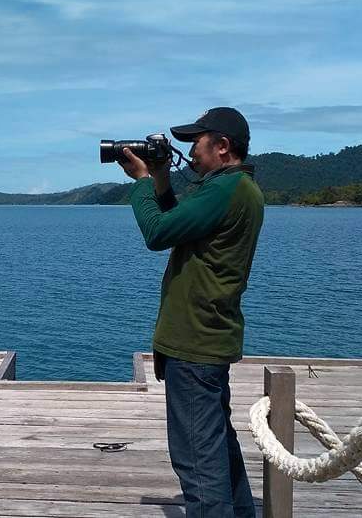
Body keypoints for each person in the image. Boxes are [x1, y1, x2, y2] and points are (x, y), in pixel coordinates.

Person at [116, 107, 264, 518]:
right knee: (215, 446)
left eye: (196, 143)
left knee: (198, 465)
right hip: (208, 338)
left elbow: (158, 232)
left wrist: (143, 183)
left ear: (222, 146)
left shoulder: (225, 189)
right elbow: (178, 221)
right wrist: (162, 178)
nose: (191, 151)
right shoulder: (232, 188)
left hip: (195, 343)